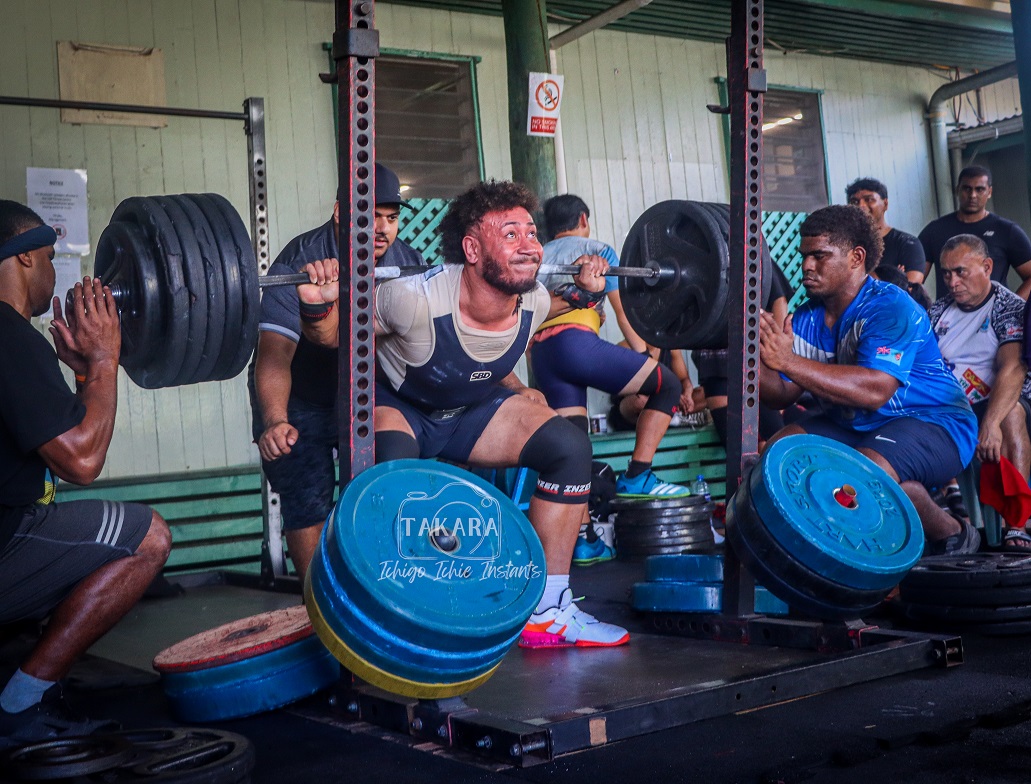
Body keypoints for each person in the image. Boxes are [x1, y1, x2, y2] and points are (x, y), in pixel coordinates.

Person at [296, 180, 629, 648]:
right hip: (404, 410)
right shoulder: (412, 299)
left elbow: (568, 300)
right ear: (471, 249)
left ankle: (548, 609)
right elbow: (335, 339)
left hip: (471, 413)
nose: (529, 245)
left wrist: (590, 291)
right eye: (510, 234)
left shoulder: (531, 300)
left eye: (532, 234)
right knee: (390, 479)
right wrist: (317, 308)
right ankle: (394, 617)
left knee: (569, 448)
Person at [0, 201, 171, 748]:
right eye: (49, 257)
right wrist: (104, 360)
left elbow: (67, 443)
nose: (54, 272)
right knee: (147, 536)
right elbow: (82, 462)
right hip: (6, 541)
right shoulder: (8, 336)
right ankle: (19, 706)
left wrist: (84, 376)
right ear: (26, 258)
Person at [759, 205, 980, 555]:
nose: (805, 266)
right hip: (859, 425)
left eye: (819, 256)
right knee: (779, 453)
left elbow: (876, 389)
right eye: (804, 256)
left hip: (934, 422)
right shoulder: (807, 317)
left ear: (856, 257)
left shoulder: (891, 307)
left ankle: (951, 534)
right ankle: (923, 514)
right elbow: (782, 393)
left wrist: (788, 360)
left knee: (861, 476)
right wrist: (752, 357)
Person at [250, 163, 425, 579]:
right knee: (306, 491)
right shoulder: (301, 260)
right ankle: (318, 605)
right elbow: (274, 352)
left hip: (369, 392)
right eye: (370, 217)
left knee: (391, 483)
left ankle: (383, 588)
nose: (382, 229)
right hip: (302, 396)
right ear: (340, 213)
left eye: (392, 218)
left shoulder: (408, 262)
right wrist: (275, 420)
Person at [528, 194, 692, 499]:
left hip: (542, 354)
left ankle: (584, 534)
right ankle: (638, 476)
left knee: (575, 448)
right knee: (667, 385)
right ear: (583, 220)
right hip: (575, 345)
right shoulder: (597, 251)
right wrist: (644, 357)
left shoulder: (537, 256)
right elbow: (623, 312)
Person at [928, 234, 1031, 549]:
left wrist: (989, 423)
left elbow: (1012, 369)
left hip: (1001, 401)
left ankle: (1017, 522)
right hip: (952, 406)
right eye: (945, 273)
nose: (952, 281)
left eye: (960, 271)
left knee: (1008, 415)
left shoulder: (1008, 307)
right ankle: (946, 519)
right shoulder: (937, 312)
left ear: (987, 267)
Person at [919, 165, 1031, 299]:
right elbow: (915, 281)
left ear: (989, 192)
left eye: (980, 189)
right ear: (957, 190)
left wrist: (1012, 308)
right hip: (950, 317)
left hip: (992, 317)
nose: (972, 195)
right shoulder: (935, 230)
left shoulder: (1006, 230)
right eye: (967, 189)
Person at [847, 177, 926, 284]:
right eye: (854, 201)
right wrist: (893, 280)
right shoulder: (845, 245)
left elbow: (910, 289)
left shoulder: (907, 244)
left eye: (869, 199)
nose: (861, 206)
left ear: (885, 204)